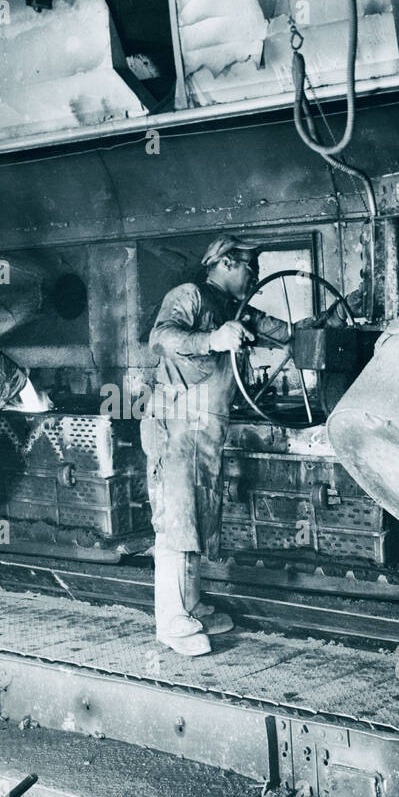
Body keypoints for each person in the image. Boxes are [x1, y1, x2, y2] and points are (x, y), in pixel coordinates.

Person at [143, 235, 291, 655]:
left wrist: (340, 315)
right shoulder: (189, 295)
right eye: (249, 267)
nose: (255, 275)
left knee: (198, 520)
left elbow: (287, 334)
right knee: (177, 521)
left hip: (205, 432)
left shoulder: (237, 311)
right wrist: (212, 339)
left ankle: (191, 606)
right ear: (224, 263)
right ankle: (171, 622)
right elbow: (162, 336)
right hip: (176, 424)